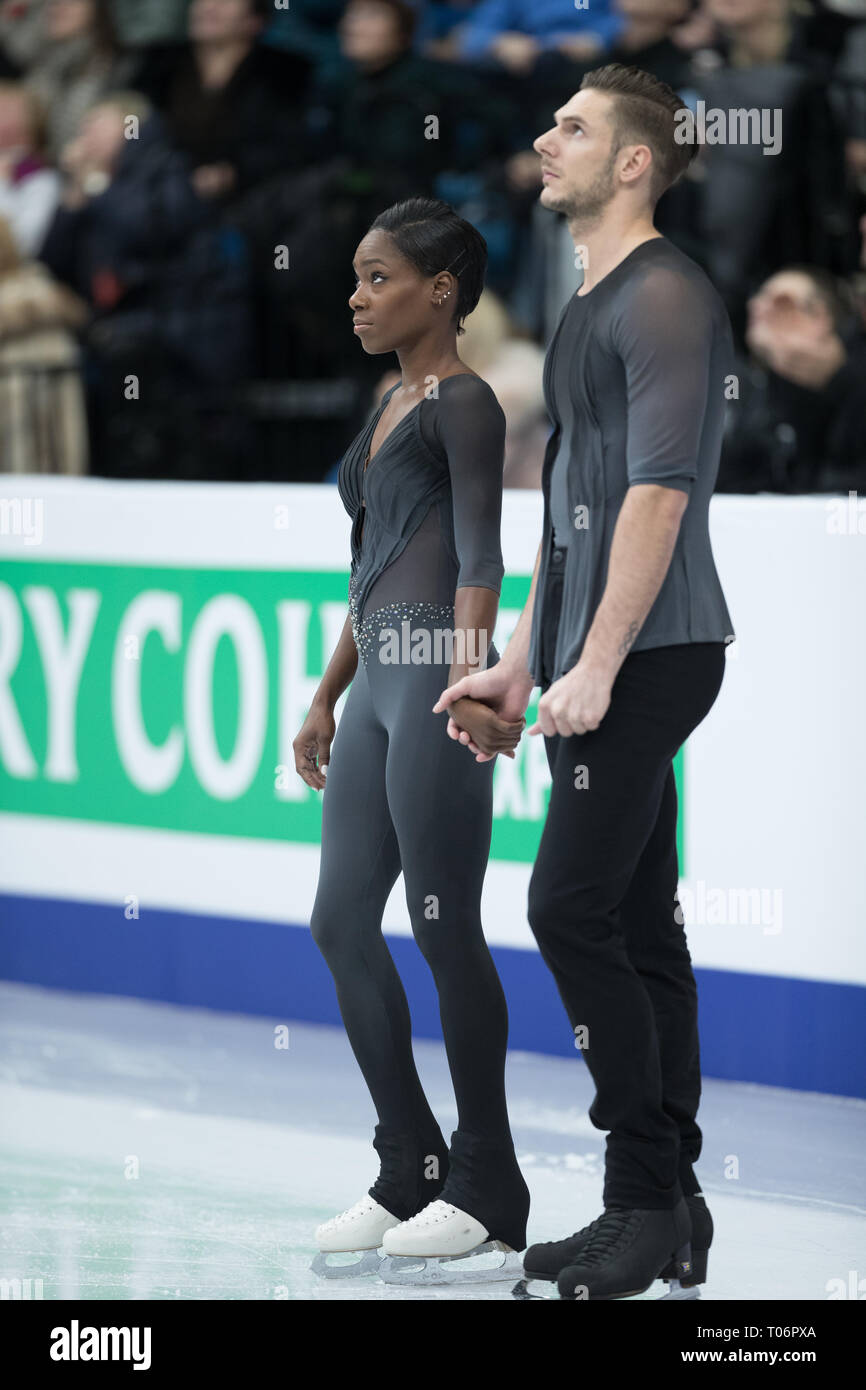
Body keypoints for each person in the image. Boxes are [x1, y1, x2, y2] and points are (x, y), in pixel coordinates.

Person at [436, 63, 735, 1300]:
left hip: (653, 652)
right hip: (603, 653)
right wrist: (520, 660)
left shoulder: (662, 297)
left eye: (571, 128)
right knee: (634, 917)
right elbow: (573, 511)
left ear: (630, 163)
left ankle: (642, 1196)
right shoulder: (589, 292)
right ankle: (677, 1203)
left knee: (567, 908)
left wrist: (597, 664)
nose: (543, 141)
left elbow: (658, 495)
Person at [294, 197, 530, 1281]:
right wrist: (325, 694)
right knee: (339, 921)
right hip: (378, 684)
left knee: (444, 931)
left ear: (441, 291)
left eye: (377, 277)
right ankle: (411, 1163)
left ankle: (490, 1184)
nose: (355, 294)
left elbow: (478, 553)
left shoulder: (464, 402)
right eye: (353, 275)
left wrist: (469, 676)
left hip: (435, 686)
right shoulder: (386, 402)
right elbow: (369, 565)